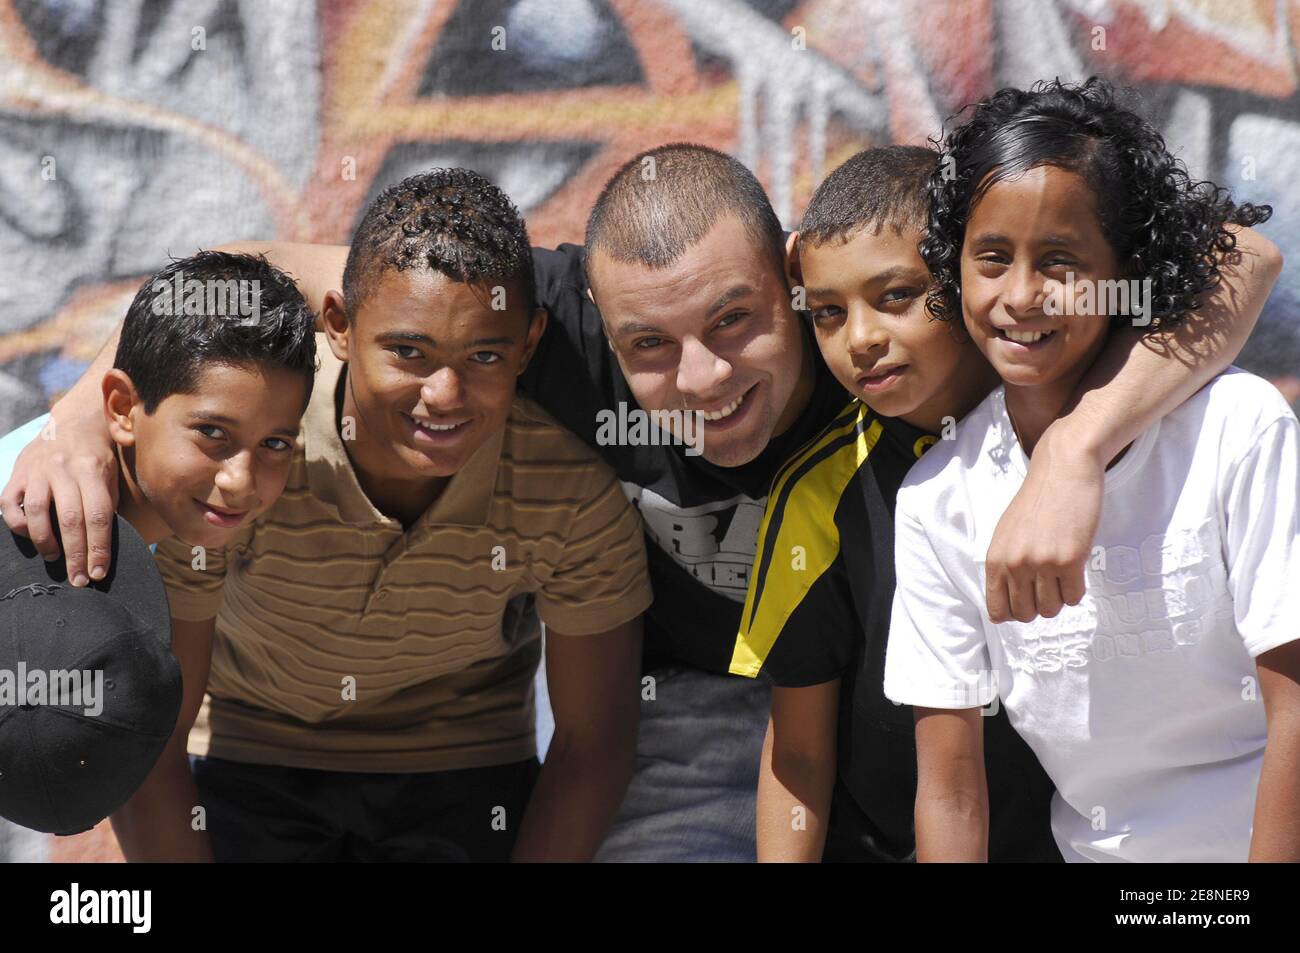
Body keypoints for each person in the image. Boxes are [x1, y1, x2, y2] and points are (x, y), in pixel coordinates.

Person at [4, 143, 1281, 861]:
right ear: (594, 317)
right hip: (674, 709)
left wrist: (1074, 452)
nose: (706, 378)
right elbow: (249, 277)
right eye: (652, 346)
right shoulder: (523, 317)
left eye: (739, 323)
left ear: (793, 280)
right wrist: (76, 417)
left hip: (874, 727)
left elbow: (1240, 251)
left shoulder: (878, 313)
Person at [14, 170, 652, 862]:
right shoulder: (255, 454)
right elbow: (157, 739)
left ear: (527, 346)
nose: (444, 392)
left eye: (485, 356)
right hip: (244, 762)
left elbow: (595, 743)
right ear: (340, 326)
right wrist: (71, 416)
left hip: (465, 772)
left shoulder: (571, 490)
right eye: (408, 352)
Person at [883, 77, 1300, 862]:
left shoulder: (1236, 428)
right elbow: (949, 788)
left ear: (1126, 271)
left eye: (1062, 261)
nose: (1021, 296)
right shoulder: (937, 498)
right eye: (992, 258)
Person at [731, 145, 1058, 862]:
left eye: (896, 296)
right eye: (825, 313)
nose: (861, 340)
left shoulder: (1078, 425)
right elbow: (801, 754)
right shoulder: (817, 494)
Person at [0, 250, 315, 843]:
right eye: (212, 434)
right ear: (121, 408)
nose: (240, 481)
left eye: (275, 443)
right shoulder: (34, 522)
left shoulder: (175, 526)